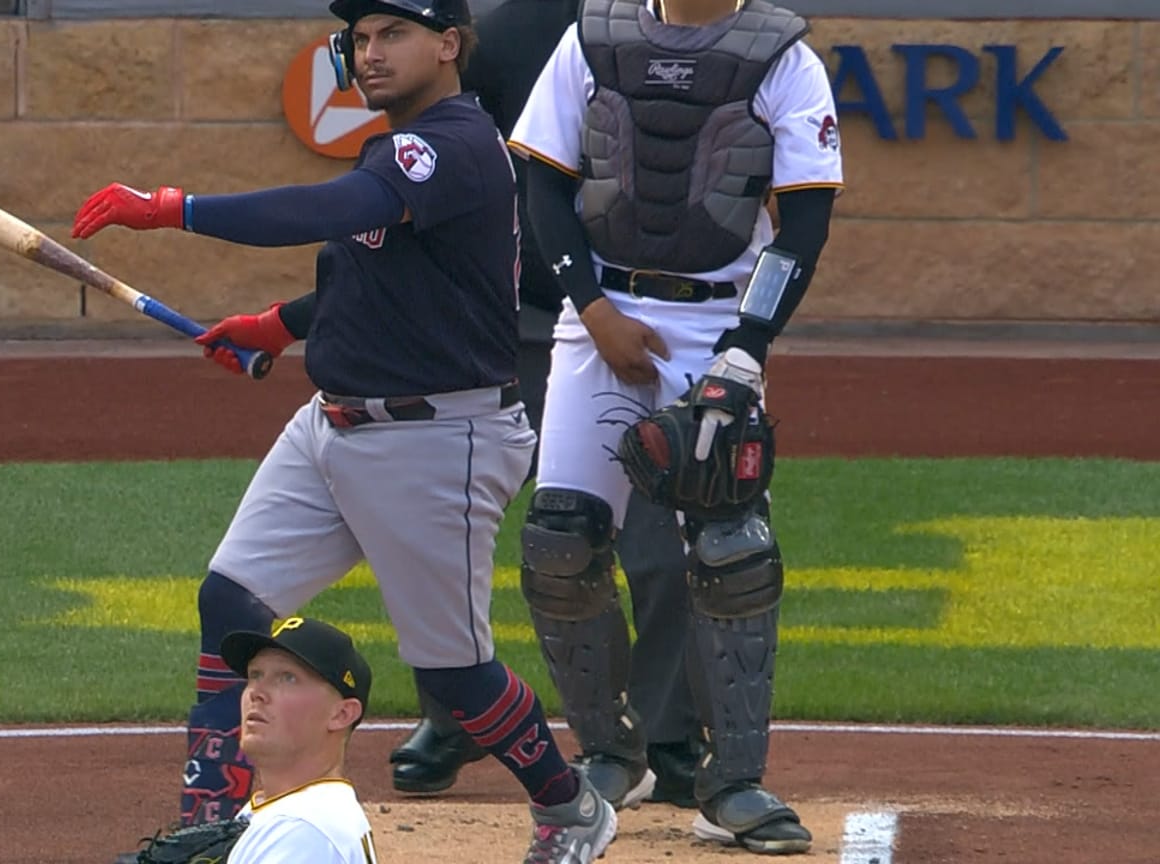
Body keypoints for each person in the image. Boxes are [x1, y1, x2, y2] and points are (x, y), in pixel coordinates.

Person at [70, 1, 617, 860]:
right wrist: (277, 325)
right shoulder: (401, 149)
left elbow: (324, 210)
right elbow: (371, 276)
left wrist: (177, 207)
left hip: (436, 440)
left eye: (392, 34)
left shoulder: (453, 144)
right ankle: (216, 827)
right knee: (232, 600)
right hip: (331, 424)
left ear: (449, 44)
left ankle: (568, 805)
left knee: (455, 676)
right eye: (359, 39)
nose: (370, 53)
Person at [507, 0, 843, 854]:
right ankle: (610, 755)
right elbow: (543, 184)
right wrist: (593, 310)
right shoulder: (592, 39)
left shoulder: (783, 55)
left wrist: (748, 348)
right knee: (559, 541)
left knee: (731, 547)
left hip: (719, 320)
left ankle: (733, 782)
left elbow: (804, 220)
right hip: (601, 315)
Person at [388, 0, 703, 812]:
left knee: (662, 540)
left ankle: (668, 736)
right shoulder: (509, 36)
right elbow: (440, 169)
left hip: (654, 324)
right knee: (444, 521)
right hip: (510, 321)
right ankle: (456, 710)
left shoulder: (698, 29)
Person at [218, 616, 378, 863]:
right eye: (255, 675)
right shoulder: (294, 812)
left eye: (287, 677)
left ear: (342, 714)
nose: (257, 693)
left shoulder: (306, 832)